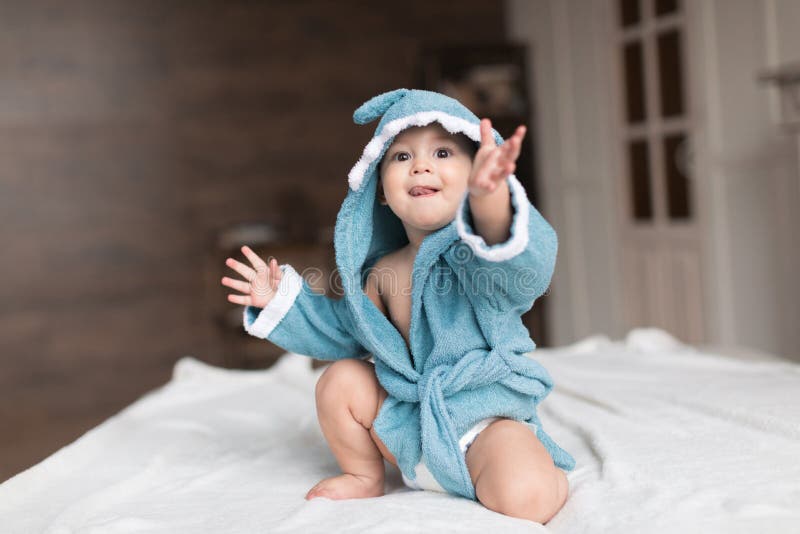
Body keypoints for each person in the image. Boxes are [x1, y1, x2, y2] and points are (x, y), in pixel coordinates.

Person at [222, 89, 575, 524]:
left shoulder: (476, 255)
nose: (421, 165)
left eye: (442, 152)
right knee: (340, 381)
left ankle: (533, 470)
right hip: (412, 428)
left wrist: (490, 202)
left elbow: (524, 265)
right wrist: (281, 302)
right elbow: (343, 332)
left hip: (481, 419)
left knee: (527, 497)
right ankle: (365, 474)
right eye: (402, 157)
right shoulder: (380, 272)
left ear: (472, 177)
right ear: (382, 191)